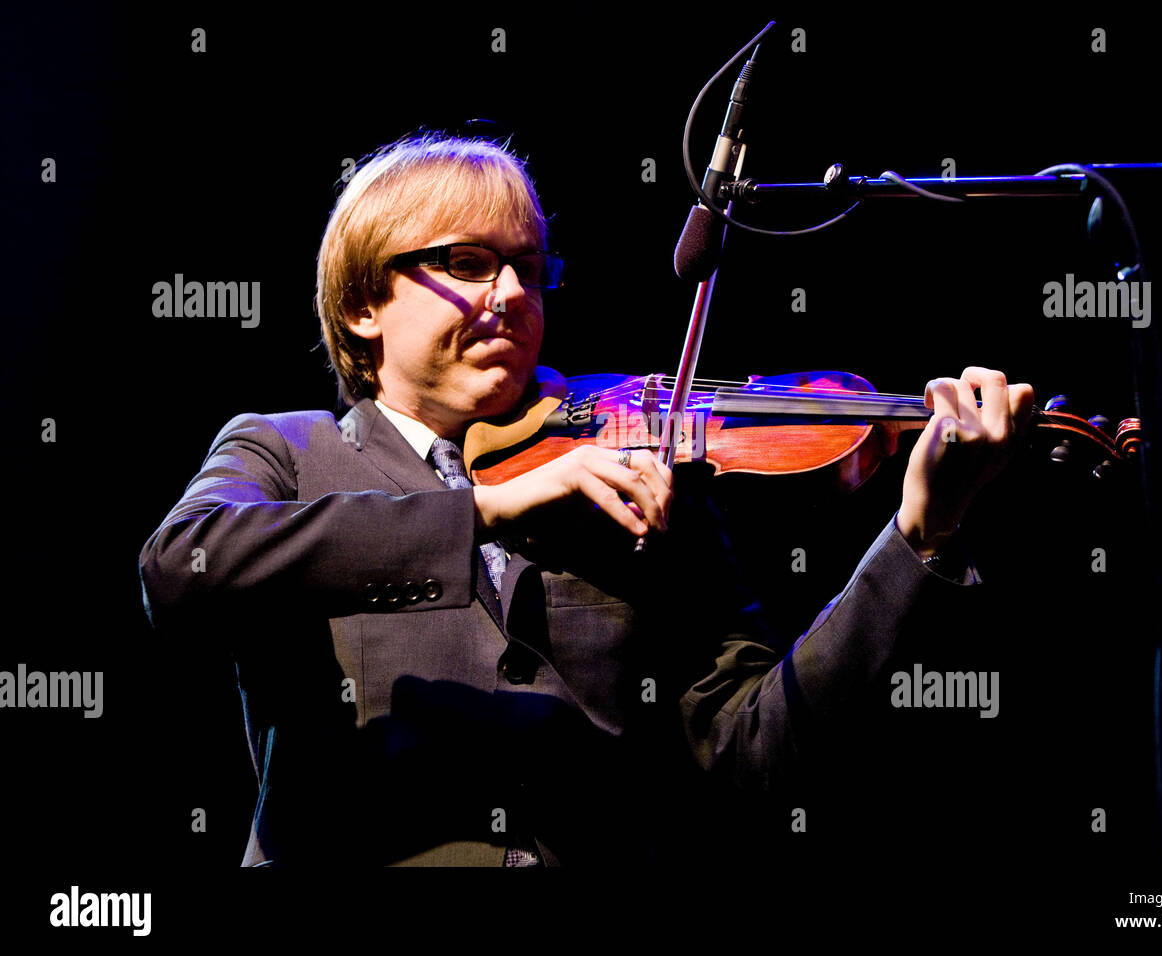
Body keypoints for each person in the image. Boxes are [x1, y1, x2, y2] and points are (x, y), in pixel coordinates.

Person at [139, 132, 1033, 866]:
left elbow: (759, 748)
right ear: (367, 303)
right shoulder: (289, 450)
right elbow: (179, 570)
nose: (515, 294)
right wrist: (490, 509)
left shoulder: (634, 468)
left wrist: (921, 531)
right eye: (468, 263)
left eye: (531, 268)